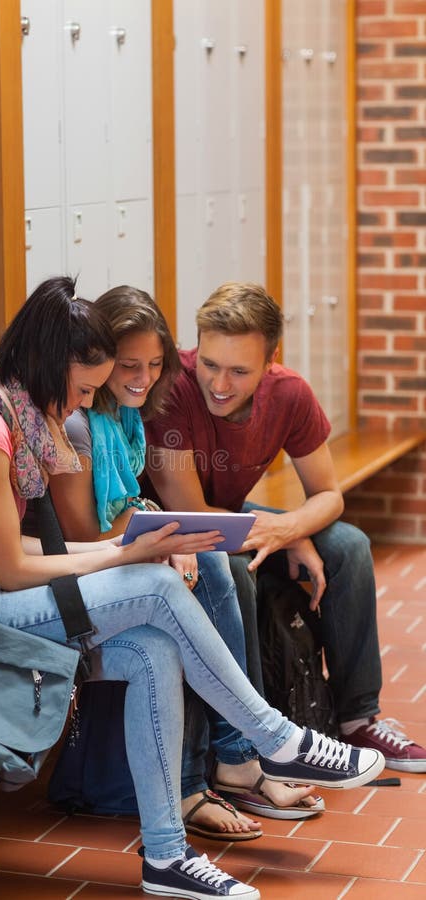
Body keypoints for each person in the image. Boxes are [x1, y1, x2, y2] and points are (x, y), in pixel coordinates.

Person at [0, 276, 384, 900]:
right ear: (50, 366)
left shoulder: (12, 415)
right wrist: (125, 554)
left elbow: (20, 554)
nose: (80, 407)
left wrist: (126, 549)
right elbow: (11, 569)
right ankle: (273, 739)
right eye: (84, 390)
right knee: (152, 583)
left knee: (154, 649)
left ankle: (167, 857)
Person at [50, 284, 322, 835]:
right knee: (214, 567)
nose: (143, 378)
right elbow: (86, 535)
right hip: (77, 572)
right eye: (129, 365)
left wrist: (289, 529)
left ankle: (242, 753)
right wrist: (160, 531)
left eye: (154, 365)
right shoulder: (79, 424)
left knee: (223, 563)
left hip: (123, 552)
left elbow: (134, 507)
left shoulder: (127, 415)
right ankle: (234, 759)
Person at [143, 280, 426, 783]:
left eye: (239, 370)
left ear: (271, 360)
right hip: (171, 528)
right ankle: (257, 740)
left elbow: (328, 493)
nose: (220, 383)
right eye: (209, 363)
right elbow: (191, 511)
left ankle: (358, 718)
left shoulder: (289, 393)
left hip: (232, 515)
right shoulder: (173, 388)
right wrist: (285, 533)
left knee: (349, 547)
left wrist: (292, 527)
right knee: (232, 564)